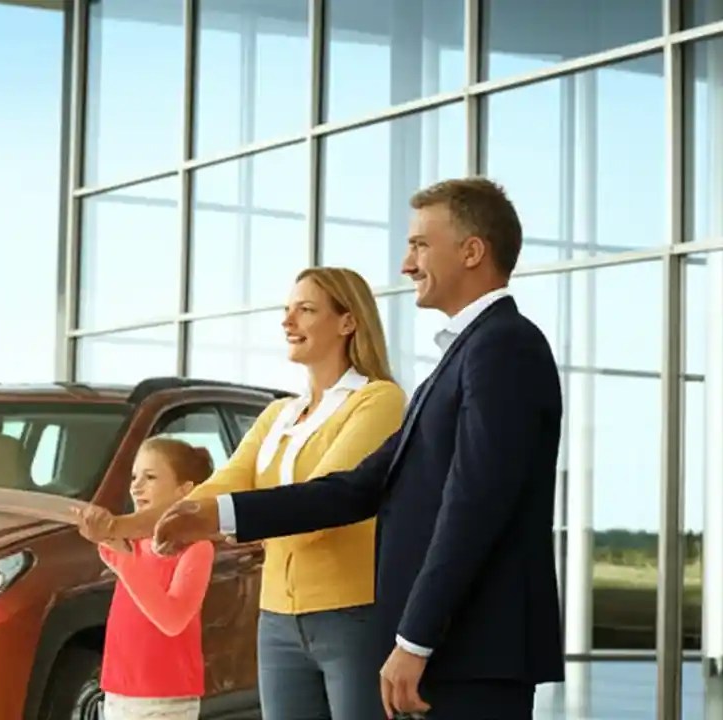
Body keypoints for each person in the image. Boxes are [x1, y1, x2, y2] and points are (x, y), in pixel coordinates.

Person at [152, 177, 565, 719]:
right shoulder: (466, 355)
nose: (407, 264)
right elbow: (356, 489)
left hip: (473, 652)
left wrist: (414, 640)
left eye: (420, 244)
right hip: (456, 651)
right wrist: (217, 513)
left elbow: (475, 506)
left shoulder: (503, 347)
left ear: (471, 251)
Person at [82, 266, 404, 720]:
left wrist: (212, 523)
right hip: (276, 621)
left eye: (306, 310)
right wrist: (120, 526)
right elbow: (217, 489)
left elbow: (323, 502)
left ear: (348, 322)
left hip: (351, 616)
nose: (287, 321)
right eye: (286, 310)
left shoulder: (377, 400)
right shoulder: (279, 414)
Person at [76, 437, 216, 720]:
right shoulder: (133, 543)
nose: (136, 486)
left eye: (150, 477)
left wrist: (122, 560)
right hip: (118, 691)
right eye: (134, 476)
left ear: (184, 490)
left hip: (167, 699)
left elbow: (173, 619)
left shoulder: (197, 548)